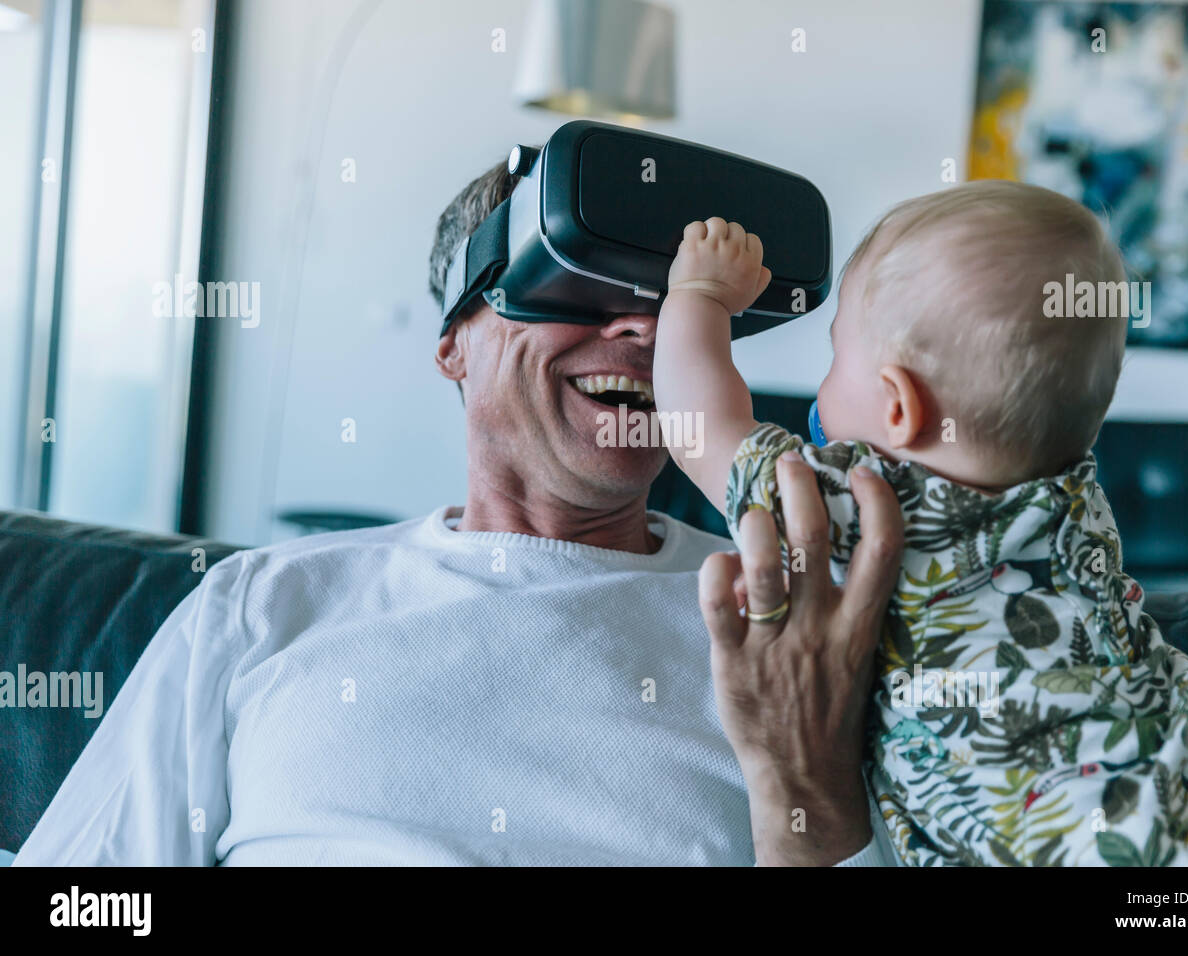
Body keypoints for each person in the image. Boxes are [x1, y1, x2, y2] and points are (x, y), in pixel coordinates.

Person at [12, 160, 904, 867]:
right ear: (455, 346)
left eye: (670, 304)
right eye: (580, 285)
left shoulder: (802, 611)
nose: (641, 331)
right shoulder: (262, 605)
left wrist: (808, 784)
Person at [652, 181, 1188, 866]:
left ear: (898, 407)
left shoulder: (855, 503)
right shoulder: (1079, 504)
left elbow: (700, 425)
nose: (824, 382)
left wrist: (700, 296)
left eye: (838, 356)